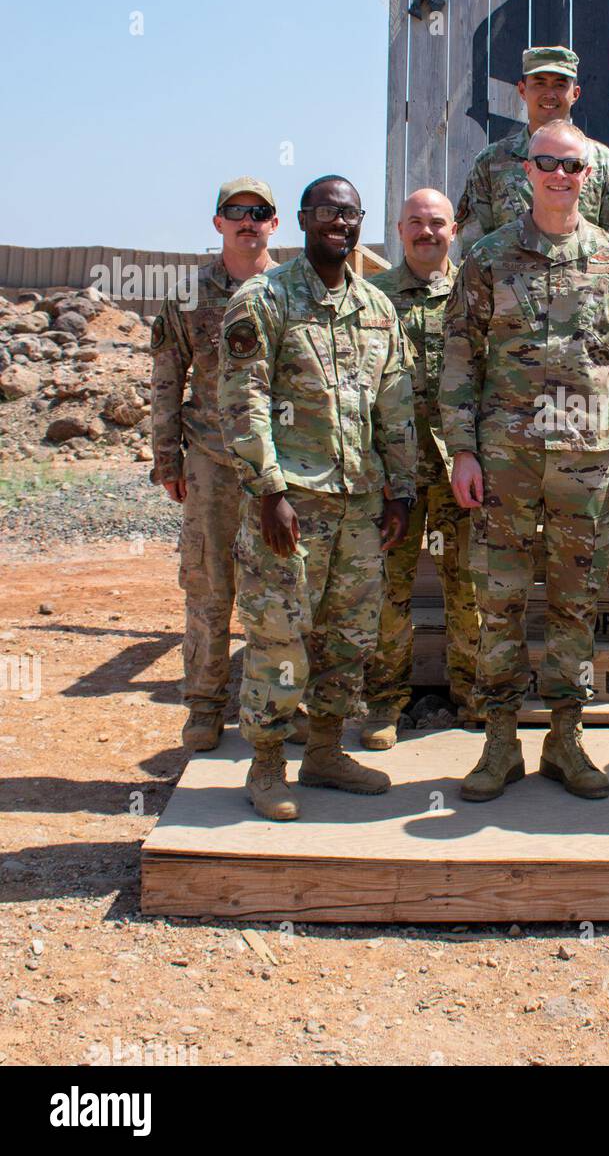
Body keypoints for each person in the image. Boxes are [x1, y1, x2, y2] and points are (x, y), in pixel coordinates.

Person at [441, 120, 609, 803]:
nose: (561, 176)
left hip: (586, 466)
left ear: (590, 176)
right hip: (505, 463)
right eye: (548, 164)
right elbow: (460, 358)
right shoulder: (489, 257)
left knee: (575, 601)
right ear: (526, 171)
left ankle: (566, 736)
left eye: (573, 166)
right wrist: (463, 451)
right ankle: (500, 741)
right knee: (498, 600)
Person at [218, 175, 418, 821]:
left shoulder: (378, 309)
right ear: (303, 220)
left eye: (351, 213)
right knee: (279, 637)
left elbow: (396, 405)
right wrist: (268, 488)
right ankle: (268, 763)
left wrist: (403, 489)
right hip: (292, 506)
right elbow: (242, 400)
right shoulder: (265, 299)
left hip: (360, 504)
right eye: (329, 211)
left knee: (348, 637)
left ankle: (327, 750)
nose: (341, 221)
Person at [150, 176, 285, 752]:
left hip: (279, 470)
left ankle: (276, 707)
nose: (248, 220)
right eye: (236, 212)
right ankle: (204, 707)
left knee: (278, 591)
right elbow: (165, 378)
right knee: (207, 589)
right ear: (218, 223)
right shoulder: (186, 296)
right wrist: (166, 457)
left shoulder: (291, 290)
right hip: (209, 462)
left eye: (260, 212)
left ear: (275, 224)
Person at [364, 189, 481, 744]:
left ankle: (473, 699)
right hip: (396, 475)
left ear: (453, 230)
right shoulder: (373, 298)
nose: (426, 232)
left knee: (468, 588)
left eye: (437, 223)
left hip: (463, 468)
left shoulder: (474, 292)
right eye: (416, 223)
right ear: (400, 228)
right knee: (391, 590)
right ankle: (384, 704)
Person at [454, 45, 609, 261]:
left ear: (575, 94)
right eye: (539, 83)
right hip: (510, 288)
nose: (550, 94)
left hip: (583, 288)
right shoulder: (492, 162)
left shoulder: (602, 161)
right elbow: (473, 248)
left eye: (560, 85)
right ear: (522, 90)